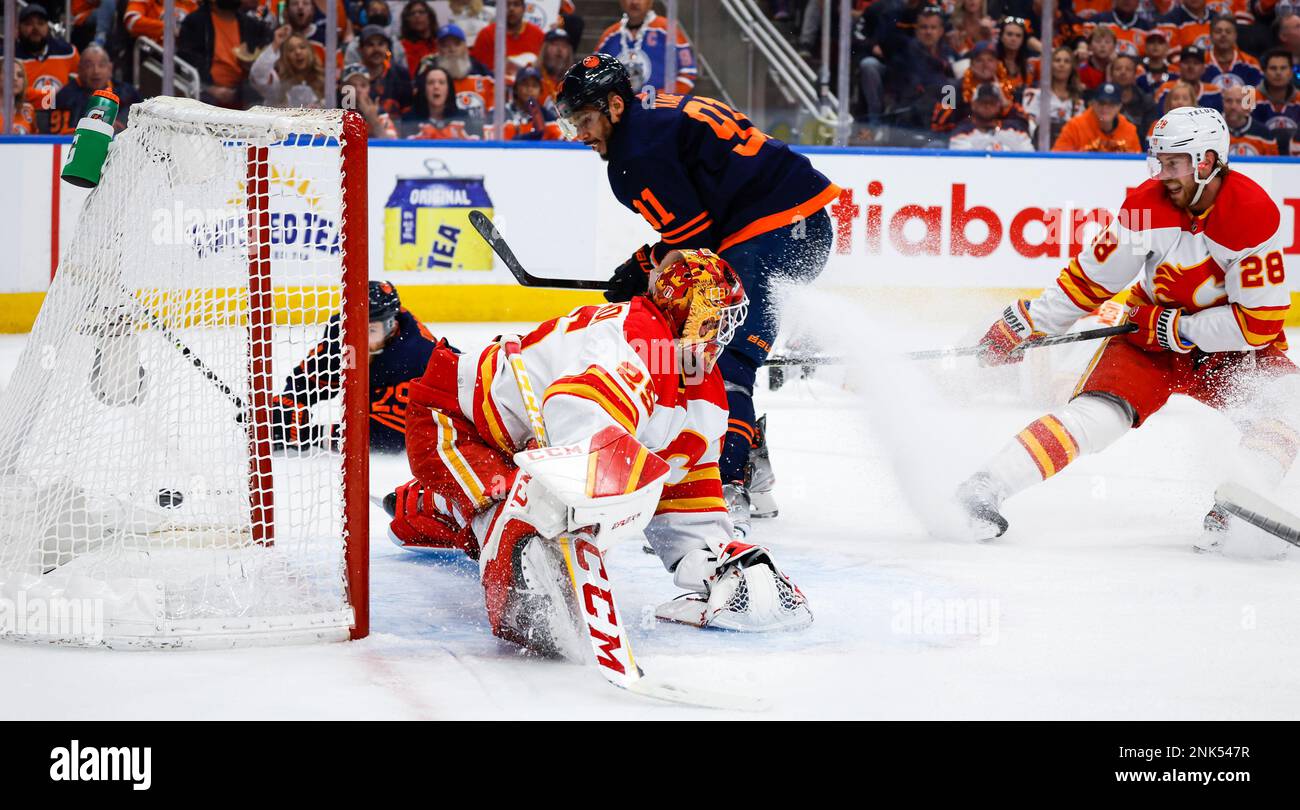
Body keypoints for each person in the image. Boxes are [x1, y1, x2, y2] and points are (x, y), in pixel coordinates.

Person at [385, 250, 813, 655]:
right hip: (458, 423)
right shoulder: (637, 335)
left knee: (511, 496)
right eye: (718, 316)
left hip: (525, 446)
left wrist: (709, 559)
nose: (725, 330)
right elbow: (577, 413)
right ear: (690, 311)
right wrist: (577, 511)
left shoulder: (699, 379)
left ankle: (425, 504)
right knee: (510, 510)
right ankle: (521, 604)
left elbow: (685, 488)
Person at [957, 107, 1297, 559]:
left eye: (1172, 162)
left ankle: (1235, 511)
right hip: (1148, 342)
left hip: (1228, 348)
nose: (1162, 173)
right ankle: (985, 487)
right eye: (1158, 160)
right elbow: (1087, 282)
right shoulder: (1146, 207)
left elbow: (1258, 326)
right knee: (1097, 417)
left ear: (1207, 162)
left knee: (1288, 402)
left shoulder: (1252, 216)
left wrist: (1178, 328)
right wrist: (1025, 324)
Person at [555, 54, 840, 534]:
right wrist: (646, 263)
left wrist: (643, 268)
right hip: (792, 226)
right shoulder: (652, 119)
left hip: (774, 230)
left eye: (585, 120)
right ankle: (750, 458)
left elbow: (695, 247)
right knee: (698, 346)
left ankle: (728, 489)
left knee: (722, 358)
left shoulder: (633, 158)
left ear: (616, 106)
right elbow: (697, 229)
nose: (581, 134)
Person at [272, 281, 443, 454]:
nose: (359, 339)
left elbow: (394, 436)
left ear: (392, 327)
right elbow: (310, 379)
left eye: (370, 330)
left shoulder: (414, 358)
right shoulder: (343, 336)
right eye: (354, 327)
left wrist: (315, 434)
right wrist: (289, 404)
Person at [178, 0, 272, 108]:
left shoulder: (250, 24)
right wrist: (212, 89)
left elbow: (266, 47)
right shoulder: (196, 21)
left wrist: (251, 63)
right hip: (206, 90)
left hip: (241, 89)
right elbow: (188, 59)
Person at [595, 0, 698, 94]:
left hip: (660, 110)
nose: (634, 2)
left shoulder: (668, 29)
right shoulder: (609, 35)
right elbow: (594, 75)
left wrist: (663, 100)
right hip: (620, 110)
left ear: (651, 2)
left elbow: (688, 73)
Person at [50, 44, 141, 134]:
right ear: (79, 69)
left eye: (101, 65)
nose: (96, 71)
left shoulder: (128, 93)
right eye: (89, 66)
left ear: (110, 68)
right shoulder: (65, 96)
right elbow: (58, 136)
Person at [14, 5, 80, 107]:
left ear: (48, 27)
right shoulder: (8, 56)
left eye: (41, 23)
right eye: (28, 24)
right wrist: (55, 96)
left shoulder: (67, 52)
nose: (35, 28)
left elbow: (81, 84)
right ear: (18, 28)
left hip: (60, 117)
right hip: (22, 117)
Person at [1022, 45, 1086, 144]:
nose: (1062, 64)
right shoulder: (1035, 95)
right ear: (1050, 65)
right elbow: (1029, 125)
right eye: (1057, 60)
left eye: (1067, 61)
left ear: (1072, 68)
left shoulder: (1078, 102)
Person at [1053, 81, 1143, 152]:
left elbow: (1136, 164)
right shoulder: (1074, 126)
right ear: (1093, 104)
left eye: (1111, 104)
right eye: (1101, 103)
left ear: (1119, 106)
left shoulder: (1129, 130)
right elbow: (1058, 159)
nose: (1105, 108)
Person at [947, 81, 1034, 149]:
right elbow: (961, 162)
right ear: (973, 105)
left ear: (999, 105)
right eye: (983, 102)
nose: (987, 106)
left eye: (992, 103)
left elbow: (1031, 159)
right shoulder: (962, 131)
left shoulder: (1015, 130)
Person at [251, 29, 327, 107]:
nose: (298, 52)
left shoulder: (323, 82)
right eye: (291, 50)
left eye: (302, 47)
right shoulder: (278, 85)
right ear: (285, 57)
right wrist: (275, 44)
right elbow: (258, 74)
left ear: (310, 51)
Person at [401, 64, 478, 139]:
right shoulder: (409, 120)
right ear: (424, 89)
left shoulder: (463, 119)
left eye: (441, 82)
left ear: (448, 89)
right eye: (431, 82)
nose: (436, 87)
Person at [432, 23, 494, 116]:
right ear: (438, 49)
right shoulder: (431, 79)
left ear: (465, 46)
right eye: (445, 45)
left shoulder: (482, 73)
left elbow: (495, 108)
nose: (452, 49)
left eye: (457, 44)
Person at [352, 23, 413, 116]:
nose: (376, 49)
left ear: (387, 47)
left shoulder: (401, 74)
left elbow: (408, 115)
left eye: (381, 44)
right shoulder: (351, 77)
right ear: (360, 49)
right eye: (370, 45)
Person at [471, 0, 545, 76]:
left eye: (516, 4)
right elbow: (477, 71)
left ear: (524, 9)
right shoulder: (486, 34)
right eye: (506, 5)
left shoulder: (538, 35)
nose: (511, 9)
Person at [1252, 48, 1300, 153]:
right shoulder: (1250, 98)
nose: (1278, 73)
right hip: (1259, 159)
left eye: (1283, 68)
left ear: (1291, 72)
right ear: (1264, 72)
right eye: (1273, 68)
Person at [496, 65, 562, 139]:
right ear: (516, 88)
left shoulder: (547, 117)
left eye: (534, 86)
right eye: (525, 84)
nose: (530, 89)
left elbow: (561, 140)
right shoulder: (503, 112)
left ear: (540, 91)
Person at [1204, 15, 1264, 91]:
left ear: (1235, 36)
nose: (1223, 35)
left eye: (1228, 32)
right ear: (1211, 36)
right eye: (1218, 31)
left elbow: (1254, 97)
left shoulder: (1250, 63)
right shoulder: (1201, 63)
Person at [1154, 45, 1223, 110]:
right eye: (1186, 62)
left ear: (1203, 68)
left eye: (1196, 63)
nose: (1191, 67)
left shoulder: (1214, 91)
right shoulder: (1166, 89)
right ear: (1179, 66)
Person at [1110, 53, 1159, 145]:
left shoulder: (1146, 102)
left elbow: (1148, 136)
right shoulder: (1101, 100)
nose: (1123, 72)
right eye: (1118, 69)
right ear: (1111, 73)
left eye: (1128, 69)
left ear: (1135, 74)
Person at [340, 63, 397, 138]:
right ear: (341, 88)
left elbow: (392, 145)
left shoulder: (380, 114)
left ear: (369, 88)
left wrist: (374, 121)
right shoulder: (332, 113)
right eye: (351, 85)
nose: (358, 90)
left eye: (363, 85)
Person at [1222, 84, 1278, 154]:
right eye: (1229, 101)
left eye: (1239, 101)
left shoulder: (1264, 133)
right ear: (1223, 103)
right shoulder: (1212, 129)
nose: (1233, 106)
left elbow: (1273, 163)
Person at [398, 0, 439, 79]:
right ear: (407, 20)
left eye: (421, 12)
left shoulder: (441, 43)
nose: (417, 16)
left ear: (430, 16)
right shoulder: (401, 47)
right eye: (412, 14)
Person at [0, 63, 37, 135]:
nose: (15, 78)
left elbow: (35, 142)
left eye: (20, 75)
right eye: (9, 73)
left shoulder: (28, 110)